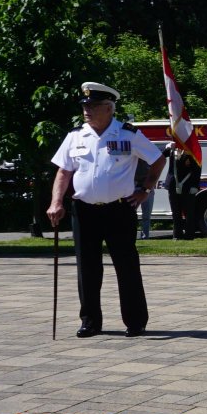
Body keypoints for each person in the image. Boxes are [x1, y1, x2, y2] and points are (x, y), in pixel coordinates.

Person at [46, 83, 163, 339]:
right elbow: (64, 171)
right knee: (87, 267)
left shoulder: (128, 133)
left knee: (126, 266)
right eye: (84, 106)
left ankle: (135, 321)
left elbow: (157, 158)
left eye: (92, 106)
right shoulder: (75, 135)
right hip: (84, 211)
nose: (86, 110)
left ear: (109, 108)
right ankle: (90, 321)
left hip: (119, 210)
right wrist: (56, 202)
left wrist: (145, 189)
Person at [166, 142, 202, 239]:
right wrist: (168, 149)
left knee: (189, 212)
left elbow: (197, 168)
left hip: (187, 185)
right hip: (173, 185)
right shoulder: (173, 148)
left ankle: (189, 235)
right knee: (176, 212)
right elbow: (161, 157)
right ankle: (177, 235)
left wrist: (195, 185)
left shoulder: (191, 149)